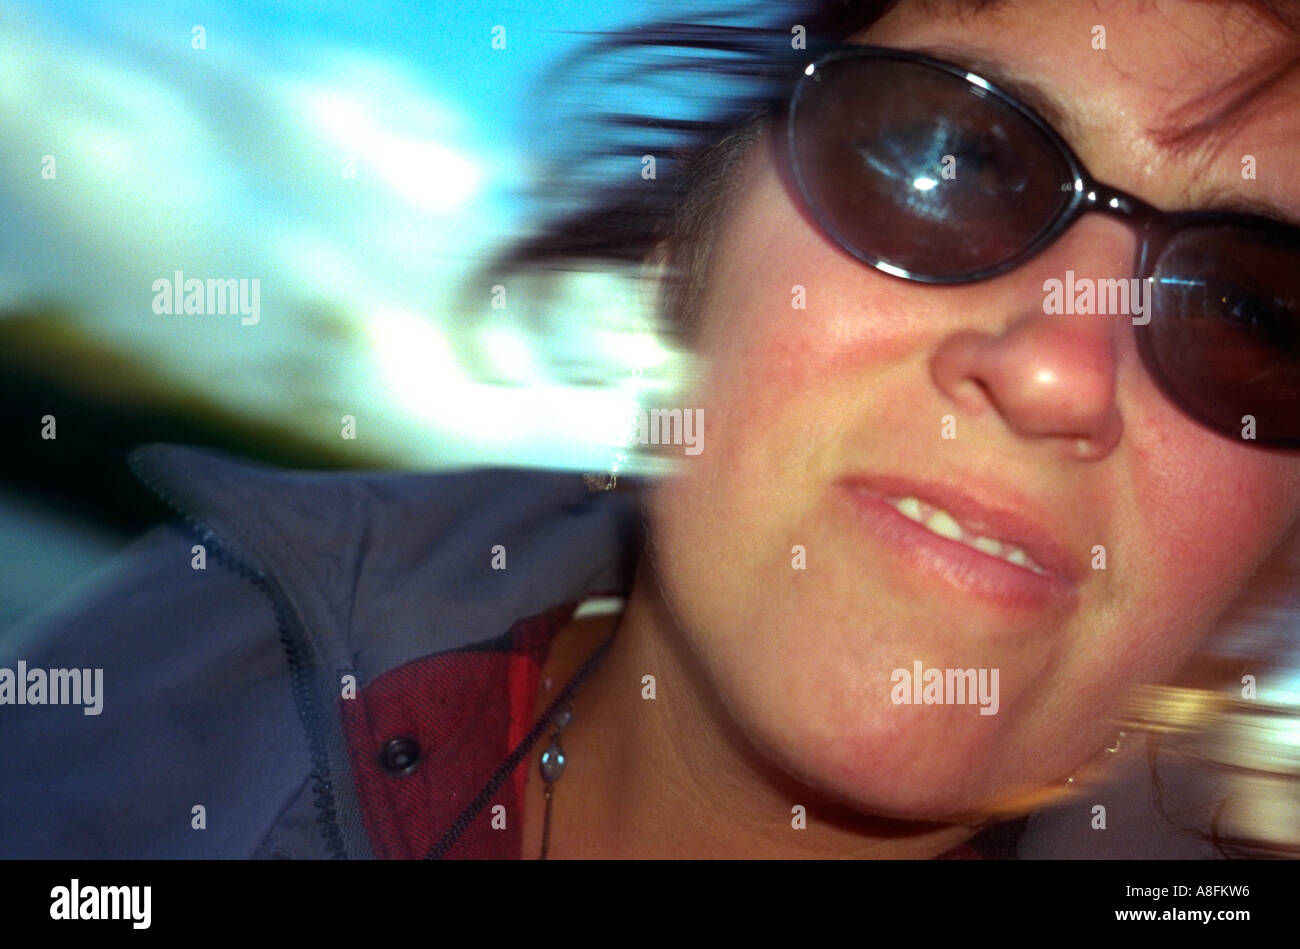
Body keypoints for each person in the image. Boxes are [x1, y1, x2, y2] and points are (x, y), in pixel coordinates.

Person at [3, 0, 1299, 859]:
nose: (1062, 377)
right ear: (692, 252)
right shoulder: (192, 639)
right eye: (948, 160)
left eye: (1253, 310)